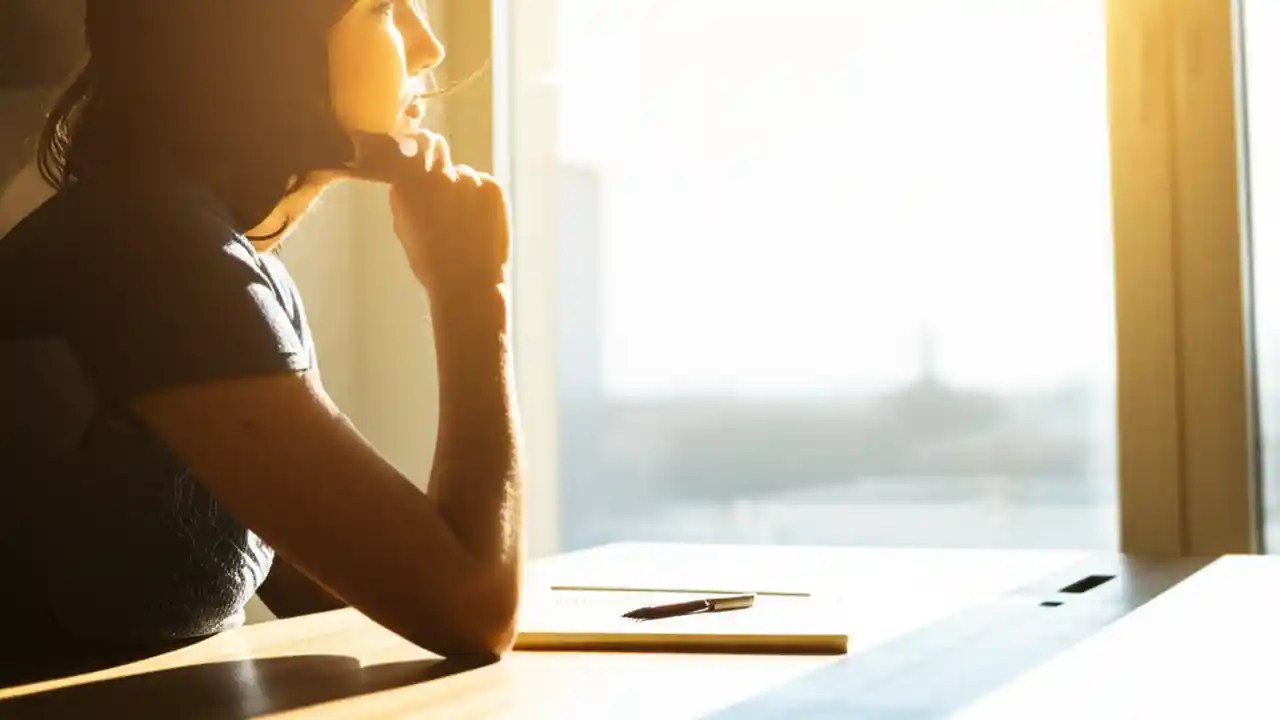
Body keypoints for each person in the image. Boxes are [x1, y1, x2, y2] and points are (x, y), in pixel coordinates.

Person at [0, 0, 523, 679]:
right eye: (384, 10)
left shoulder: (208, 252)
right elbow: (471, 608)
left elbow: (348, 581)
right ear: (270, 48)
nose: (428, 49)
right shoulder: (151, 248)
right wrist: (472, 288)